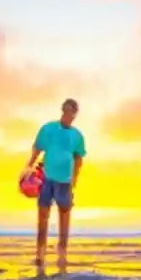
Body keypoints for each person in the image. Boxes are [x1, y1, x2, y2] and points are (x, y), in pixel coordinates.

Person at [25, 98, 87, 266]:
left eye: (72, 112)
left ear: (75, 114)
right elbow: (37, 148)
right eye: (66, 111)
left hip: (65, 182)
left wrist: (75, 179)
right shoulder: (48, 129)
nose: (68, 115)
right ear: (62, 111)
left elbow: (78, 158)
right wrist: (29, 166)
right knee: (43, 215)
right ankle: (40, 253)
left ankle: (62, 253)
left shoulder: (77, 136)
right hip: (46, 178)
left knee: (64, 216)